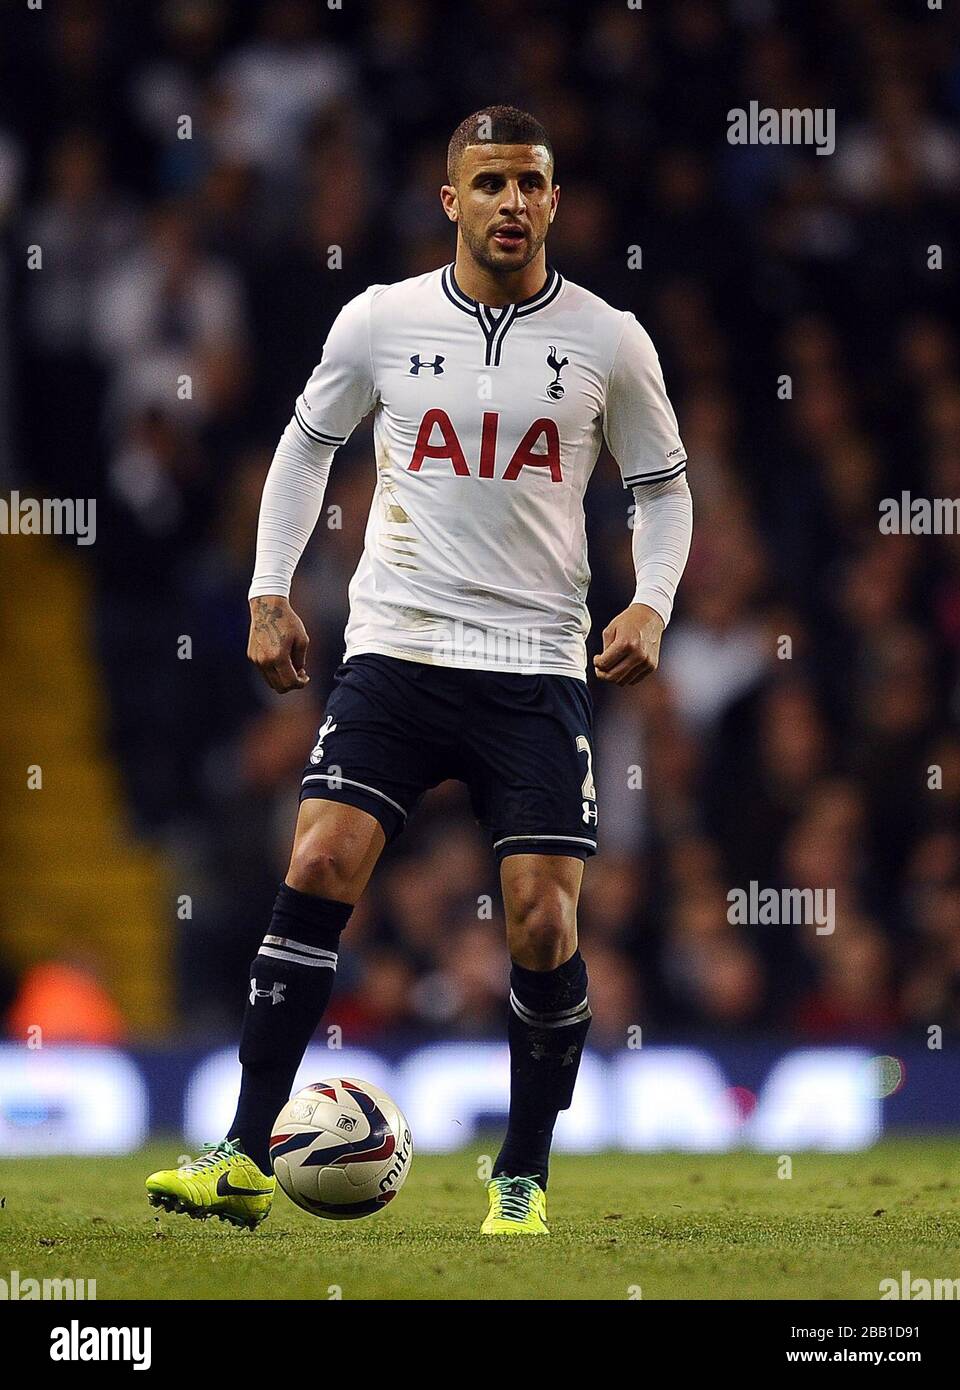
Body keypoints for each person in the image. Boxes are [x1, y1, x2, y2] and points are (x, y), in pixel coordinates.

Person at [147, 105, 692, 1235]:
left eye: (529, 184)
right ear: (451, 200)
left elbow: (662, 487)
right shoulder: (380, 320)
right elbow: (305, 444)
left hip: (535, 663)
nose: (509, 203)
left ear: (553, 201)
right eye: (487, 183)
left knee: (541, 921)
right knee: (320, 854)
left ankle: (521, 1177)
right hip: (396, 649)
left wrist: (649, 600)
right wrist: (266, 589)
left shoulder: (608, 339)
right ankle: (244, 1154)